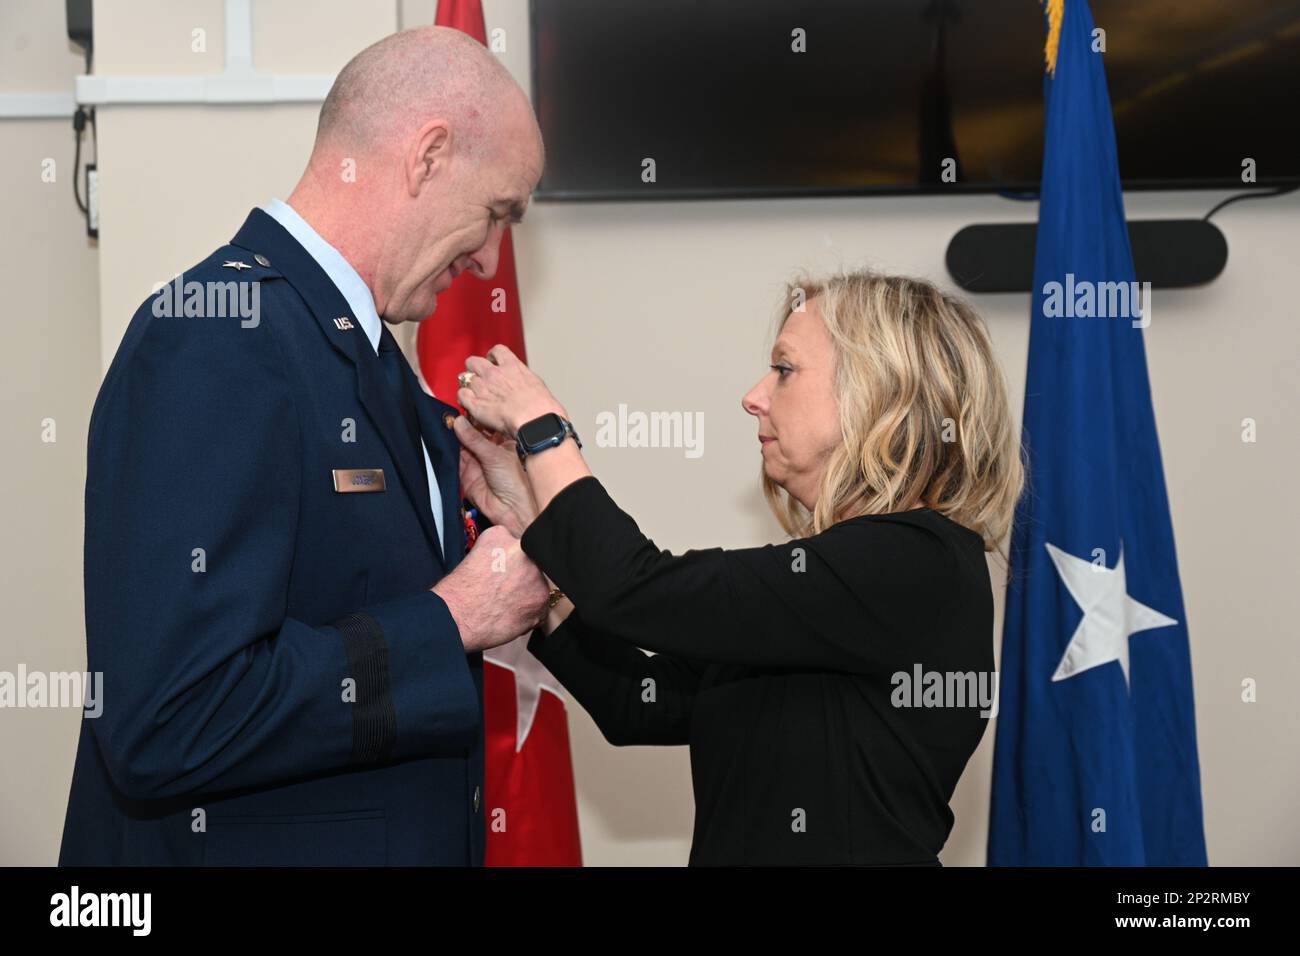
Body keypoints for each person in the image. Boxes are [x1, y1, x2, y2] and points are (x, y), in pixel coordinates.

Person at [58, 27, 549, 866]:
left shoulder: (365, 359)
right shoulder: (216, 338)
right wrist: (454, 617)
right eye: (497, 213)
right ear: (427, 157)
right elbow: (168, 714)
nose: (491, 259)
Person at [454, 270, 1026, 865]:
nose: (753, 396)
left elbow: (635, 587)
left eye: (784, 369)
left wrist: (546, 432)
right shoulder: (847, 585)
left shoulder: (916, 561)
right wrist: (530, 524)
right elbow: (641, 702)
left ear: (880, 390)